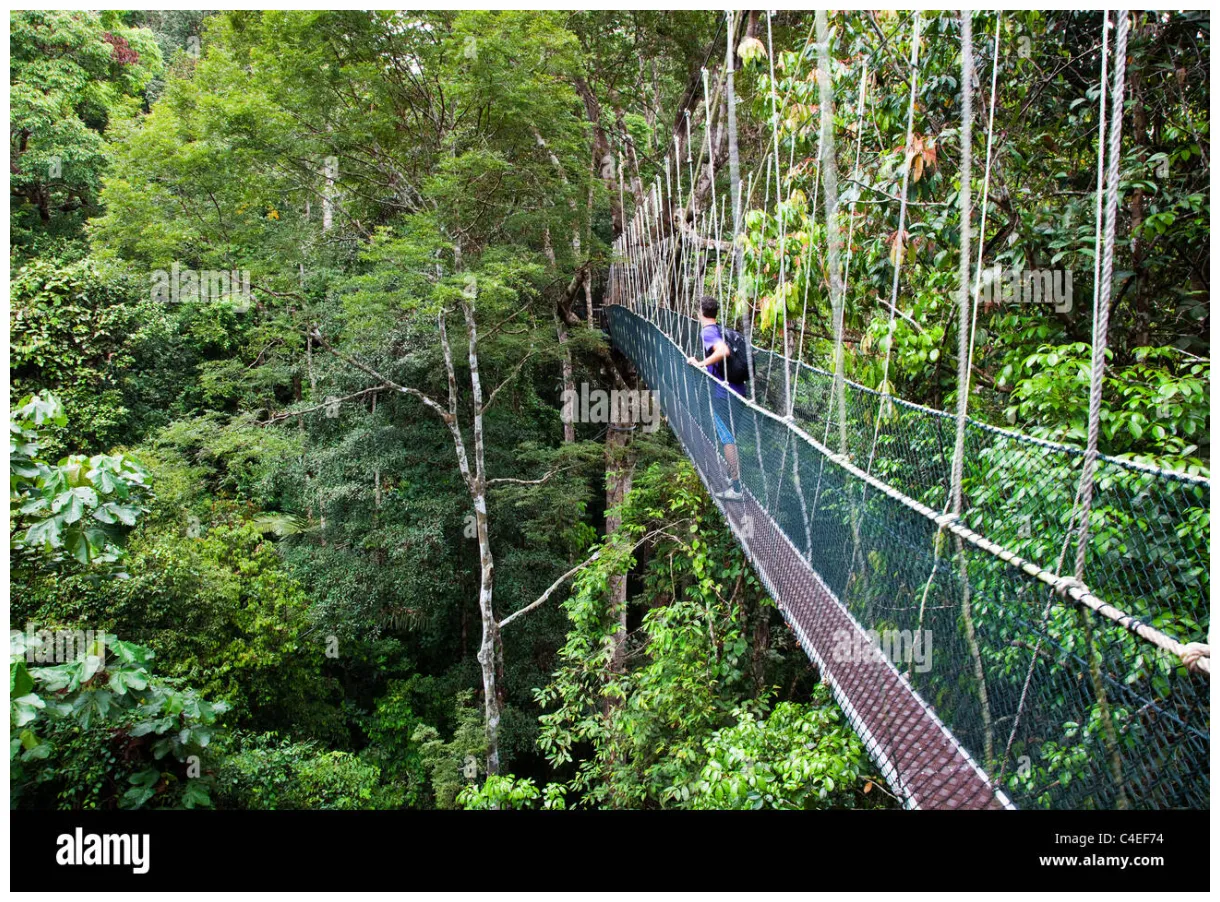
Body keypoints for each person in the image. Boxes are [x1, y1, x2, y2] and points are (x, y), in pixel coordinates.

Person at [685, 295, 746, 502]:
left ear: (700, 313)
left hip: (723, 393)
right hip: (739, 392)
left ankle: (736, 488)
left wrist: (701, 364)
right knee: (731, 437)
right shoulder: (721, 329)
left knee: (727, 438)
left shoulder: (709, 331)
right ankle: (732, 477)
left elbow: (723, 351)